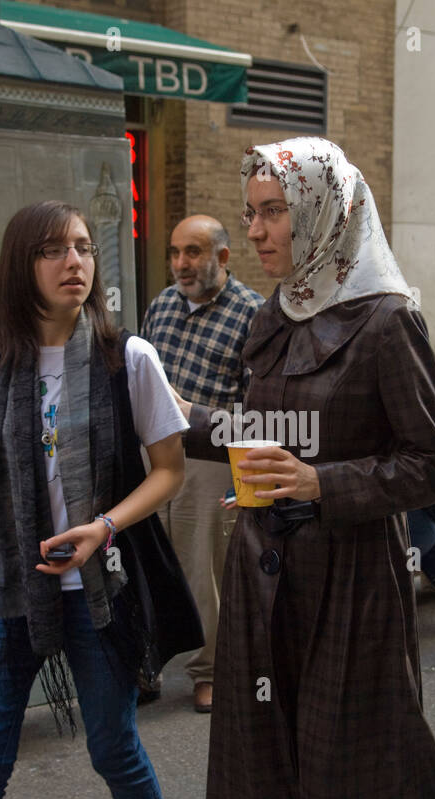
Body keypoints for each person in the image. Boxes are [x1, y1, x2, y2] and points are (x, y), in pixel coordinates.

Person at [174, 137, 435, 799]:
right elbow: (278, 431)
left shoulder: (386, 320)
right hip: (262, 572)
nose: (256, 232)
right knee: (265, 775)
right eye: (251, 214)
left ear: (324, 211)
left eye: (273, 212)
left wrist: (319, 484)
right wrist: (185, 418)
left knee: (350, 778)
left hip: (351, 581)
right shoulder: (274, 316)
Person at [0, 200, 197, 799]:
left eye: (82, 248)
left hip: (97, 590)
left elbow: (169, 471)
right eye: (53, 250)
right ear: (21, 267)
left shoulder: (127, 360)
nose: (73, 262)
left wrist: (103, 526)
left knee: (113, 747)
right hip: (3, 593)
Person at [142, 215, 263, 712]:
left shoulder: (255, 314)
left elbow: (260, 418)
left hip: (210, 461)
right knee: (145, 566)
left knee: (203, 572)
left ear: (223, 257)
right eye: (175, 253)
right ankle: (146, 665)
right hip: (151, 456)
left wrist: (193, 414)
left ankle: (209, 672)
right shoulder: (161, 307)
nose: (181, 264)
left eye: (193, 252)